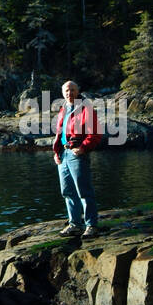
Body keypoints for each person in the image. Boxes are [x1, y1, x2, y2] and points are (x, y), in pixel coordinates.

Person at [52, 80, 102, 237]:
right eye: (67, 90)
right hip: (63, 155)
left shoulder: (85, 107)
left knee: (84, 191)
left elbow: (95, 133)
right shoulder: (63, 109)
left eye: (73, 90)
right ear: (63, 93)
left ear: (78, 90)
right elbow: (60, 134)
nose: (70, 93)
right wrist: (56, 152)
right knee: (67, 191)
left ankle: (91, 225)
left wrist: (83, 148)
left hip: (77, 154)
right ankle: (75, 224)